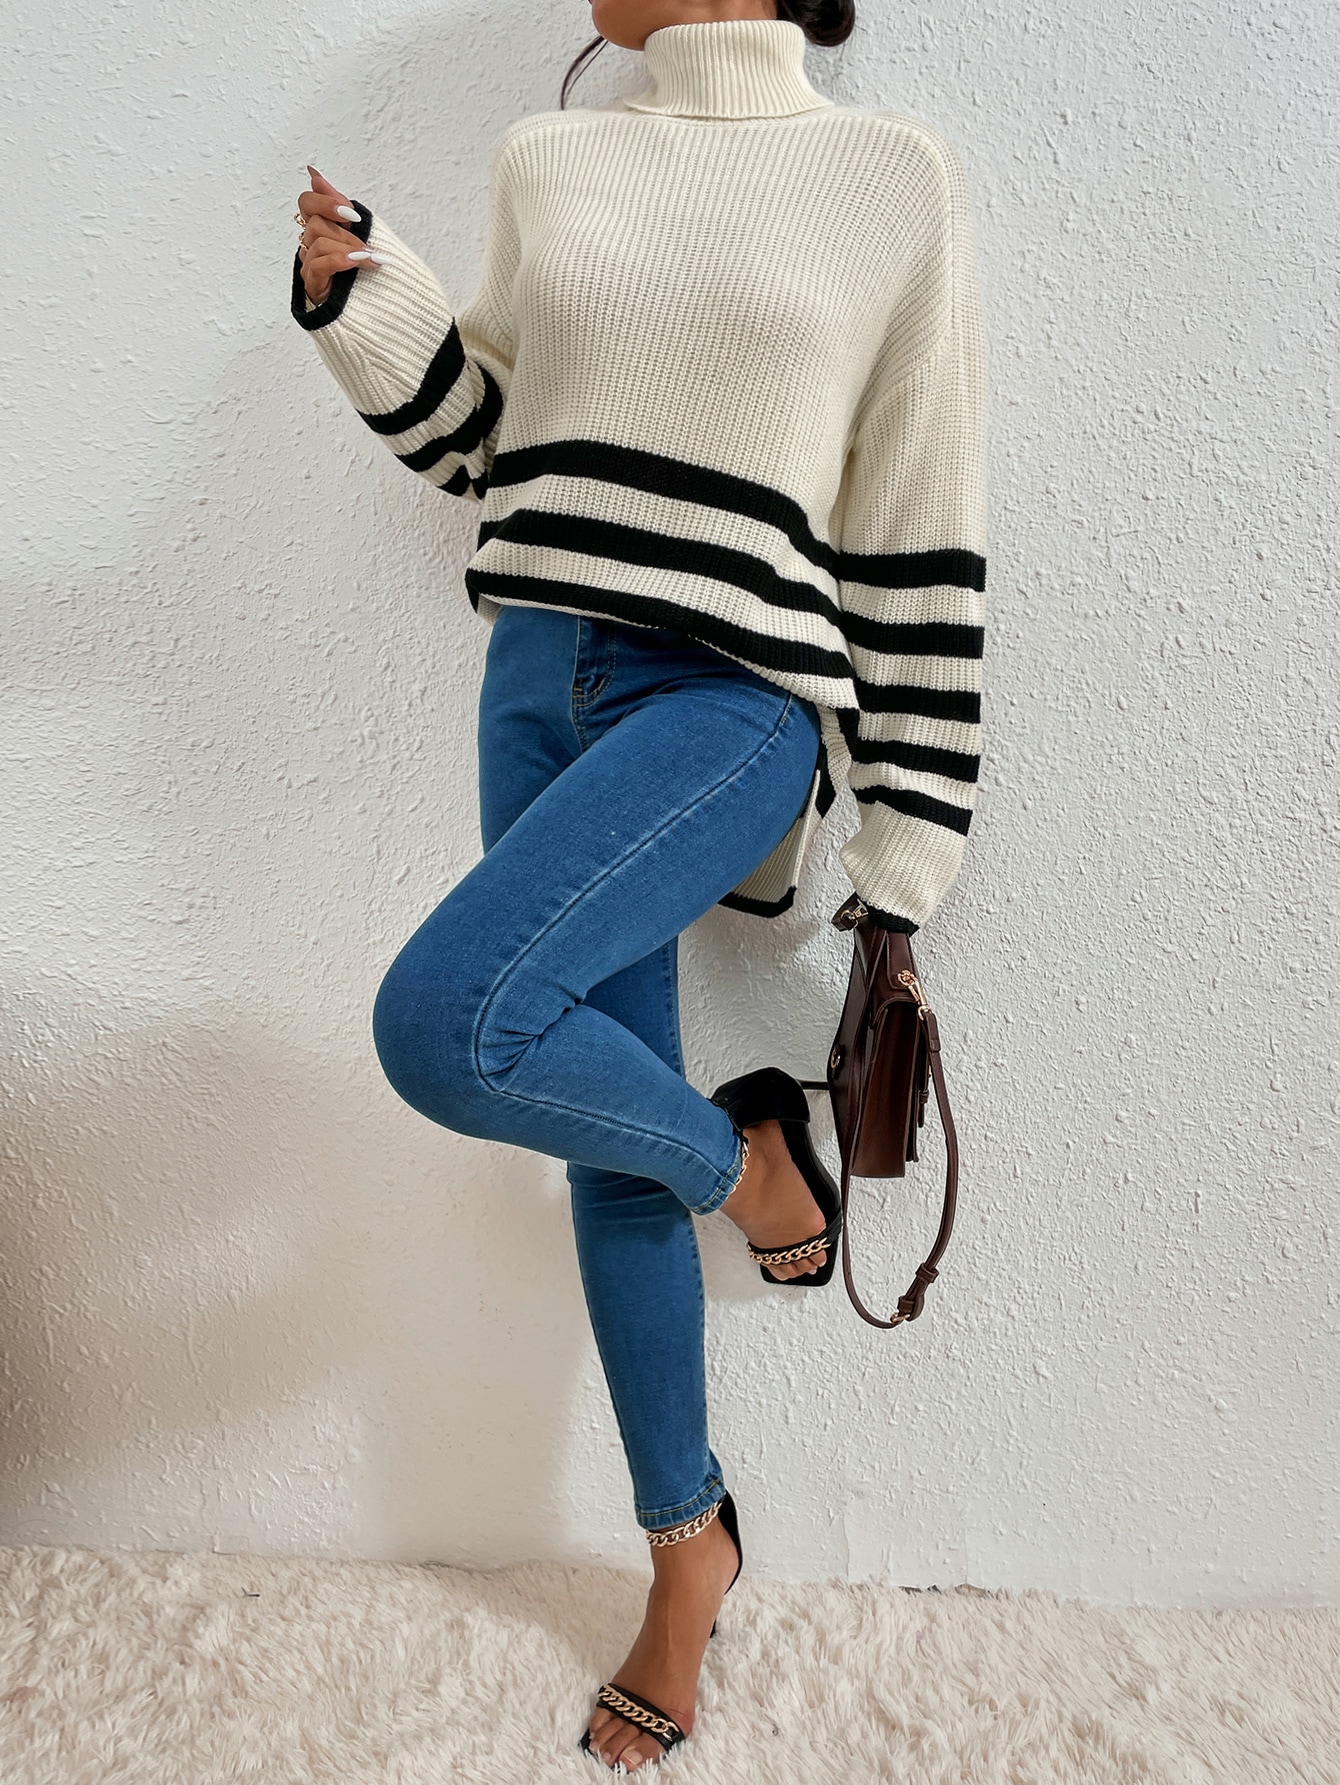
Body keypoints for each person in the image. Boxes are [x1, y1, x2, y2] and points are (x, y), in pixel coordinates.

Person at [291, 0, 987, 1768]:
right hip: (537, 671)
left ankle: (745, 1164)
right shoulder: (555, 157)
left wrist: (907, 845)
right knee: (600, 1138)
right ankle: (692, 1544)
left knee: (446, 1021)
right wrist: (367, 306)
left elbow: (916, 522)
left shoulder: (888, 179)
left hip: (727, 699)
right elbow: (493, 447)